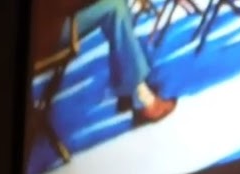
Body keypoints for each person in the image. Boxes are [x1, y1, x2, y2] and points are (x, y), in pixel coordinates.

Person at [32, 0, 176, 125]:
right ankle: (142, 99)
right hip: (47, 32)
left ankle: (129, 90)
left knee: (118, 4)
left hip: (55, 19)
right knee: (114, 7)